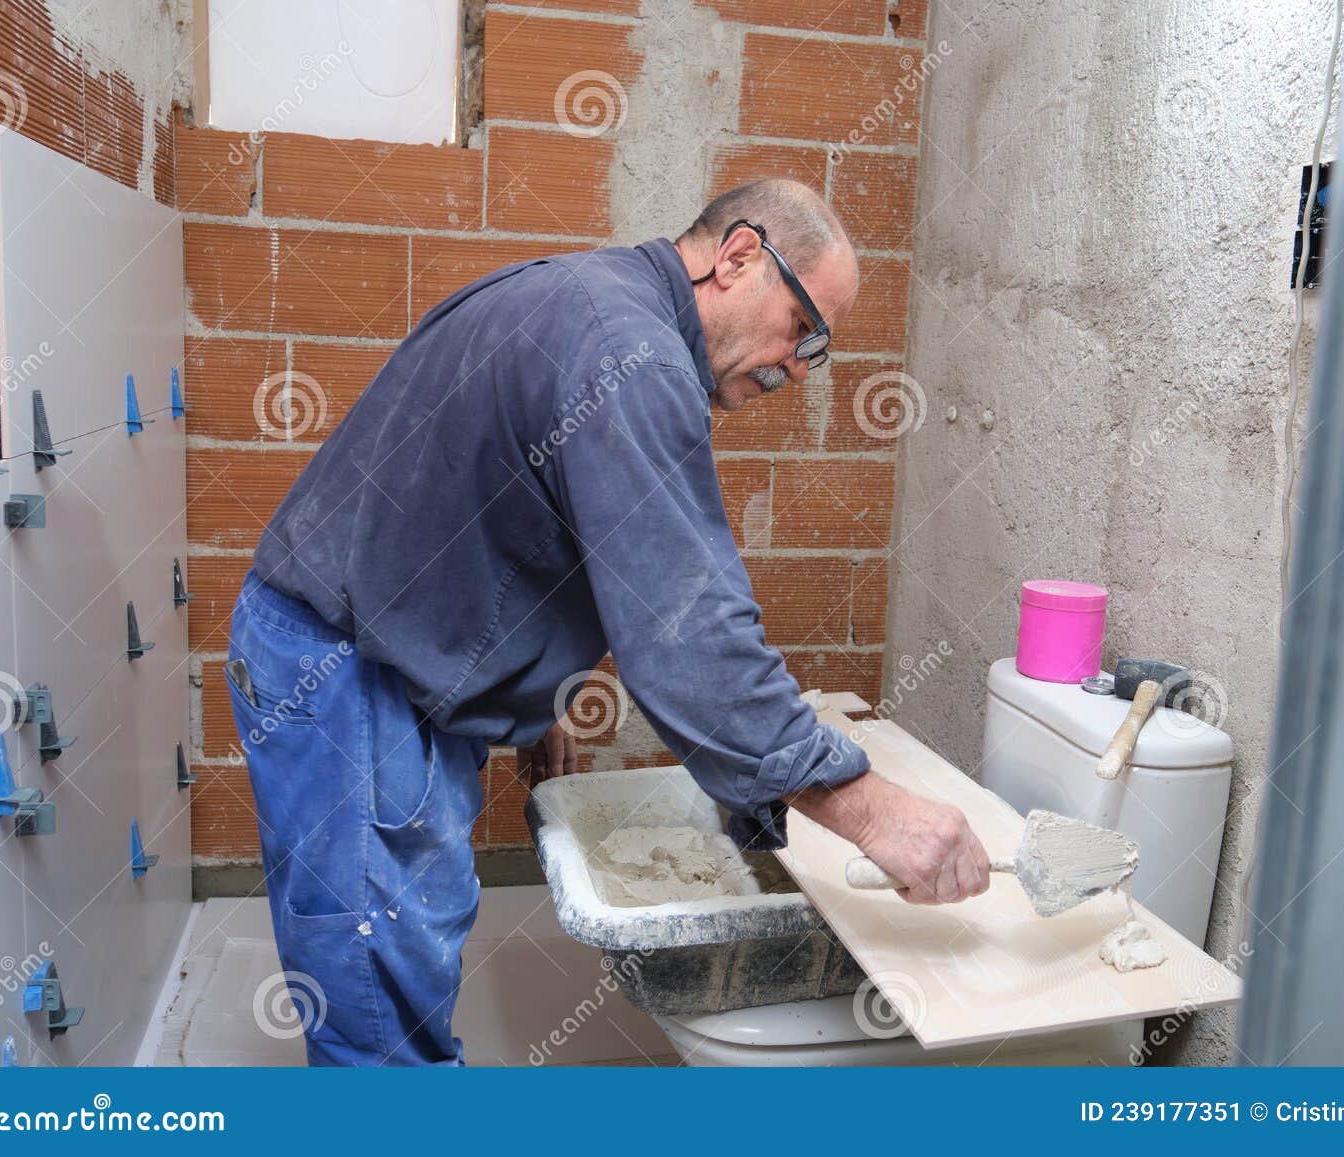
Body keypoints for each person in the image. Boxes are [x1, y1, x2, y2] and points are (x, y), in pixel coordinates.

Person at [226, 178, 991, 1065]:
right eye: (804, 330)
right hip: (350, 682)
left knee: (388, 974)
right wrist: (868, 809)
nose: (798, 368)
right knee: (379, 1023)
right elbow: (690, 639)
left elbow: (490, 504)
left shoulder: (587, 298)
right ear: (738, 256)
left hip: (356, 657)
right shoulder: (630, 355)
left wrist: (537, 695)